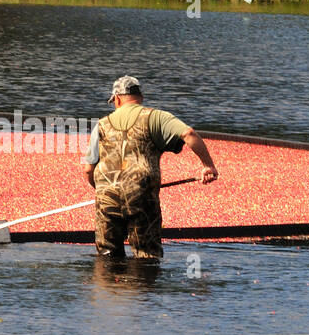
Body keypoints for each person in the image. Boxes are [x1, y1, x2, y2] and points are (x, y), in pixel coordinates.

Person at [80, 76, 218, 259]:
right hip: (142, 196)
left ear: (117, 98)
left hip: (107, 196)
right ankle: (143, 285)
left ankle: (108, 286)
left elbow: (88, 170)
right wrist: (208, 166)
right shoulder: (156, 117)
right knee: (146, 255)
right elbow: (189, 133)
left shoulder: (101, 125)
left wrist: (101, 190)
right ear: (140, 97)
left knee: (107, 255)